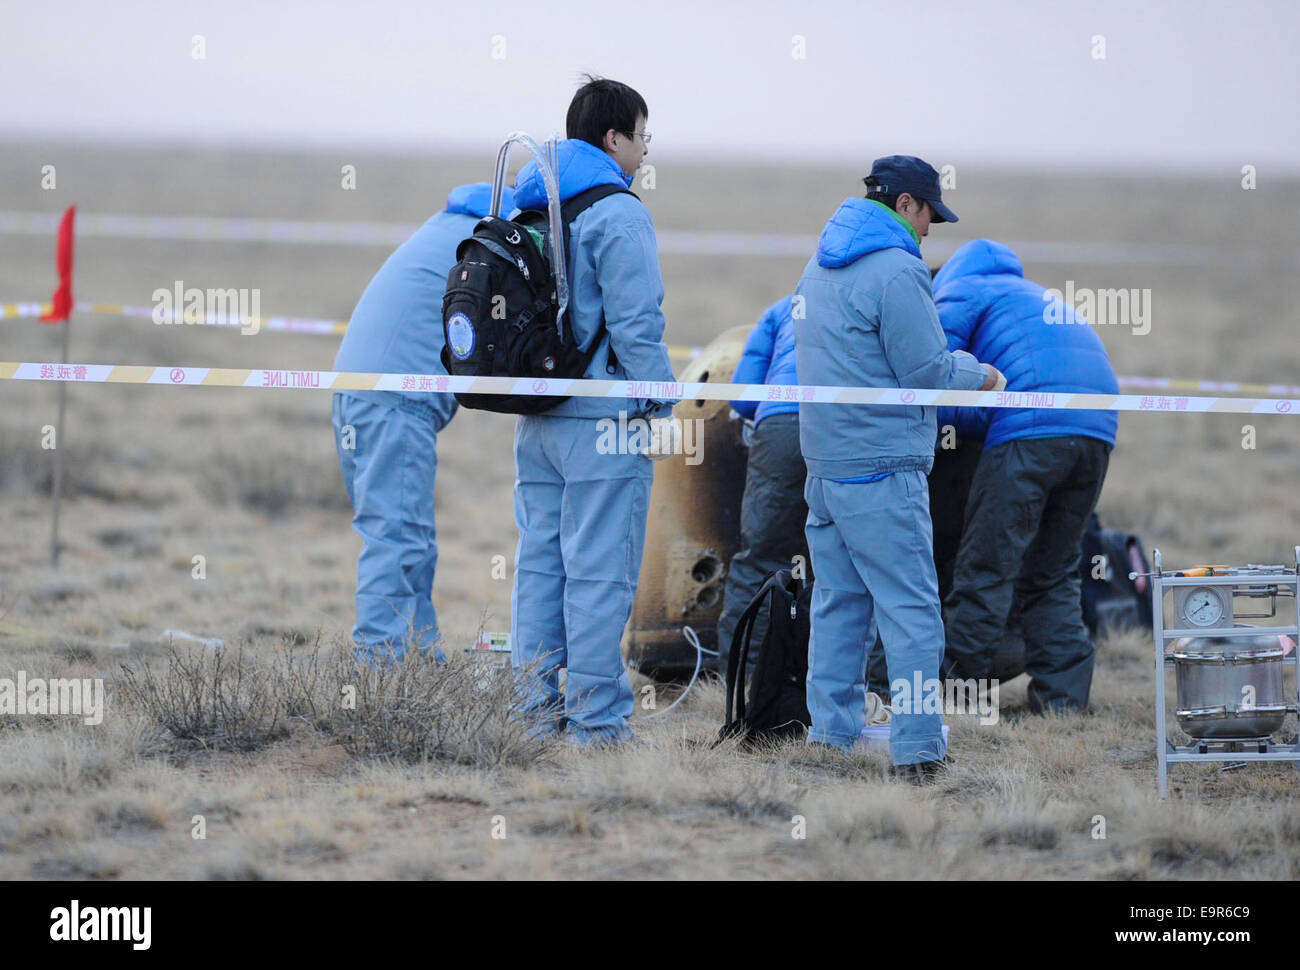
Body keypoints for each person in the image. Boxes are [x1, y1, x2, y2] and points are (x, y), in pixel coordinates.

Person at [793, 155, 1001, 778]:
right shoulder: (897, 270)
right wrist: (983, 375)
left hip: (825, 466)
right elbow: (927, 371)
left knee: (837, 605)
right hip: (882, 467)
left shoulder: (818, 263)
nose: (930, 230)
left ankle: (831, 738)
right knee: (911, 612)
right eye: (930, 215)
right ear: (906, 204)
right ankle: (917, 751)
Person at [509, 76, 677, 746]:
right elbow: (639, 328)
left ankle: (532, 718)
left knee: (540, 569)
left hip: (537, 415)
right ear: (615, 138)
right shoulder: (620, 213)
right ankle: (597, 726)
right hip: (602, 421)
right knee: (600, 574)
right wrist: (659, 403)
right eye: (642, 136)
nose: (646, 149)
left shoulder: (534, 206)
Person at [933, 239, 1118, 713]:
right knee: (1052, 571)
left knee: (986, 568)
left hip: (1031, 431)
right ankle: (1062, 703)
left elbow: (931, 377)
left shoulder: (960, 291)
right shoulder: (1038, 297)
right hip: (1096, 430)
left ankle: (956, 695)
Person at [331, 182, 513, 665]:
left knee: (404, 539)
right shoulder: (490, 245)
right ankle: (382, 669)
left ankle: (418, 660)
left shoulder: (450, 231)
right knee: (397, 541)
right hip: (394, 401)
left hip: (360, 392)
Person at [716, 295, 810, 685]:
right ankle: (859, 689)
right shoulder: (882, 292)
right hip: (852, 426)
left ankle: (743, 683)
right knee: (848, 564)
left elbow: (743, 395)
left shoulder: (780, 308)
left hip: (781, 430)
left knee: (760, 559)